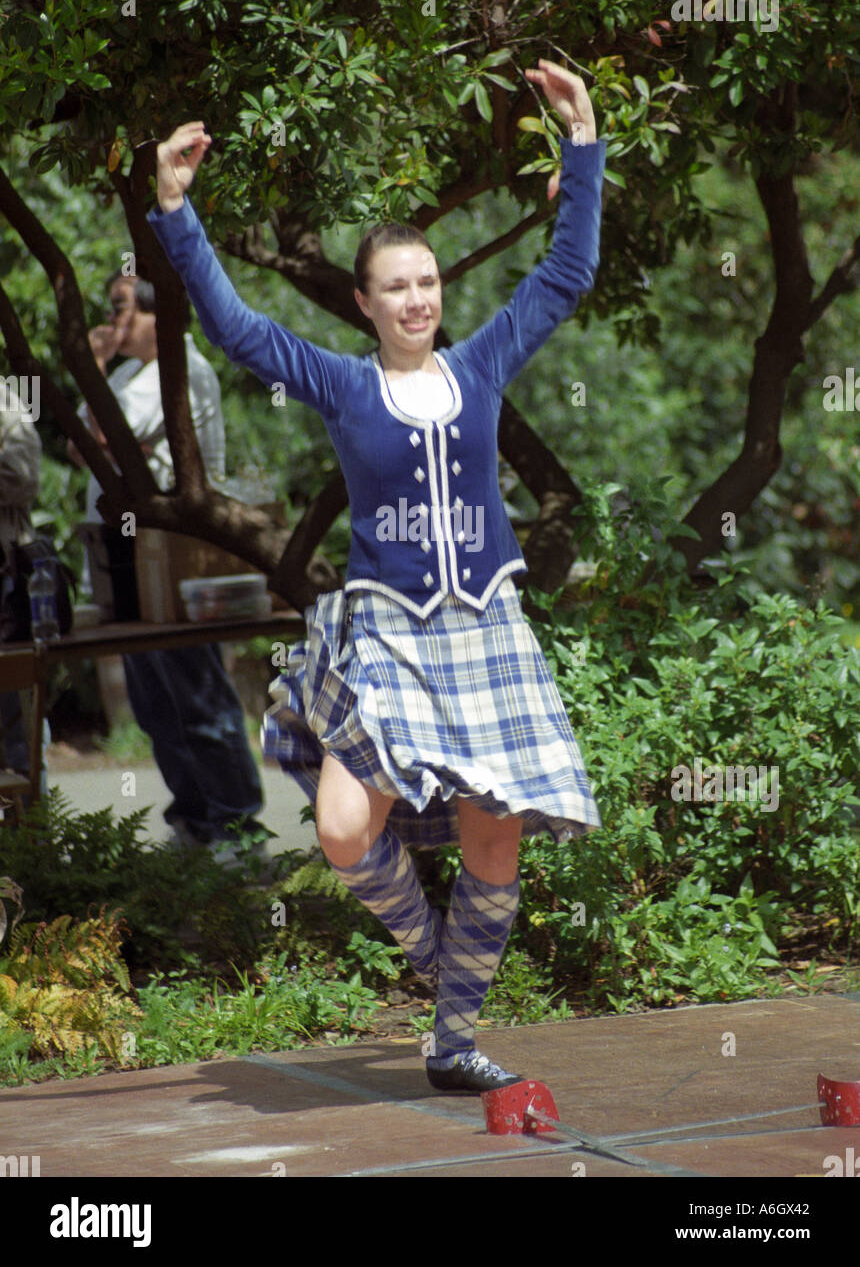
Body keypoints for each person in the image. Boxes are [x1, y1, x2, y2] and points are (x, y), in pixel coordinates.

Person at [148, 59, 605, 1091]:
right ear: (363, 300)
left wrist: (580, 145)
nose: (415, 298)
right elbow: (236, 327)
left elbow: (565, 275)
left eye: (427, 283)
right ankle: (442, 970)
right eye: (395, 285)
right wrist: (176, 209)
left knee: (496, 840)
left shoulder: (480, 363)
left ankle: (452, 1038)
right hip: (387, 632)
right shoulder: (342, 382)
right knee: (345, 828)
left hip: (482, 627)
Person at [69, 273, 265, 847]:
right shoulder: (130, 375)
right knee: (156, 704)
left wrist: (95, 369)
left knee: (197, 694)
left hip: (172, 558)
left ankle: (237, 826)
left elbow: (102, 434)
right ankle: (197, 819)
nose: (112, 321)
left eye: (122, 308)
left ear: (160, 314)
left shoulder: (179, 371)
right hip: (127, 556)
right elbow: (83, 448)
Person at [0, 377, 45, 792]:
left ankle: (31, 841)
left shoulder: (4, 399)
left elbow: (24, 477)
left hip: (5, 581)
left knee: (14, 719)